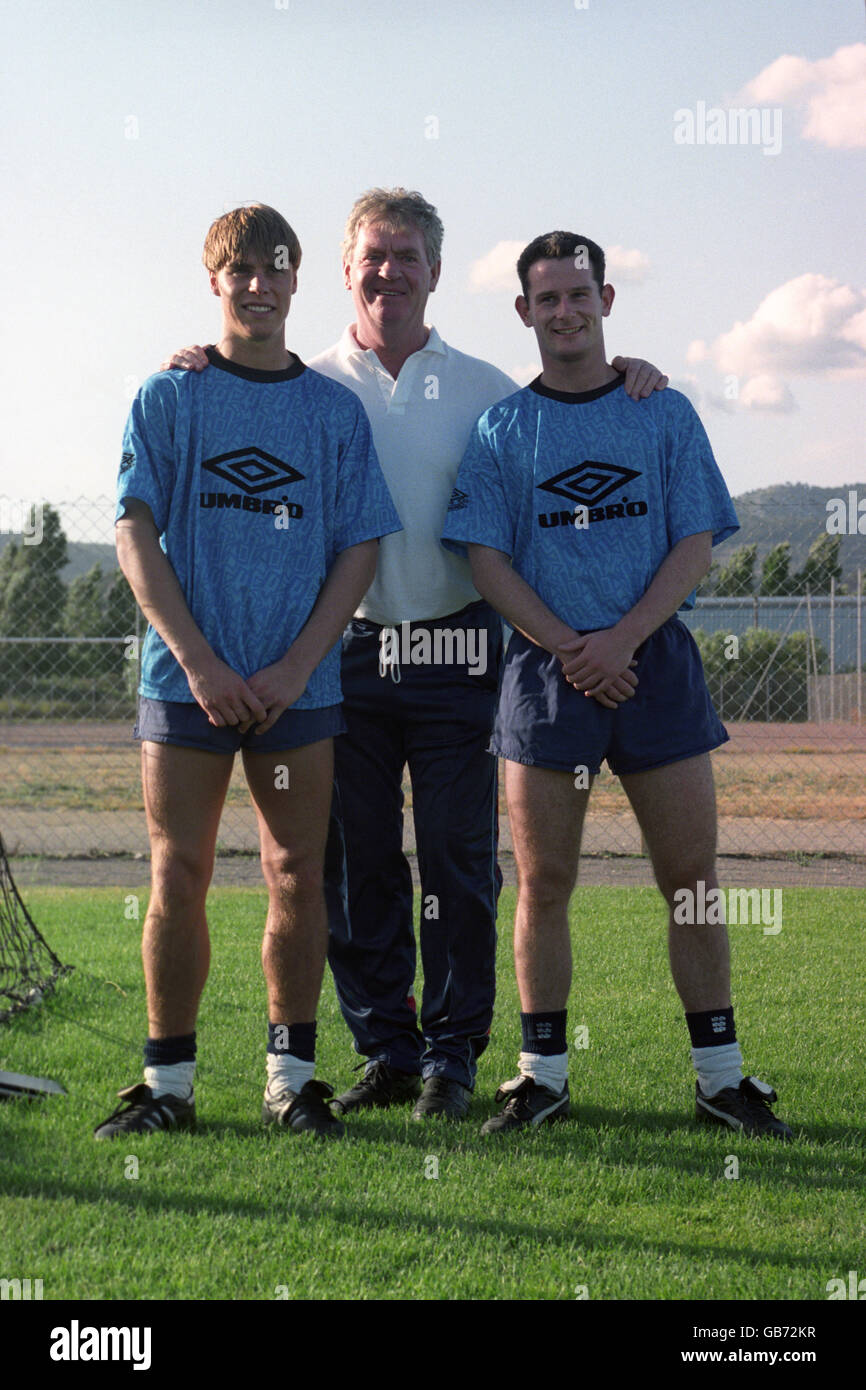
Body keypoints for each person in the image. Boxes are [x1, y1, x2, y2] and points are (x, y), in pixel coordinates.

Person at [161, 189, 667, 1122]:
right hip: (341, 650)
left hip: (461, 647)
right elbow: (228, 386)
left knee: (458, 858)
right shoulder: (303, 382)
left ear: (435, 271)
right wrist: (197, 361)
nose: (388, 271)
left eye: (407, 256)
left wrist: (631, 368)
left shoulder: (483, 388)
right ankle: (385, 1049)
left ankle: (452, 1055)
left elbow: (567, 405)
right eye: (372, 256)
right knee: (352, 866)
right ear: (344, 271)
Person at [442, 230, 792, 1140]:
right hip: (547, 673)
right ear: (524, 312)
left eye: (579, 293)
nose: (565, 311)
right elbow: (486, 558)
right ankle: (540, 1079)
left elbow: (693, 539)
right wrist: (570, 646)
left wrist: (622, 640)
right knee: (544, 881)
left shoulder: (661, 412)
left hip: (655, 664)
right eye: (547, 298)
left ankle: (722, 1078)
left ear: (607, 300)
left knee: (692, 881)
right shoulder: (502, 429)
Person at [95, 203, 401, 1142]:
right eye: (241, 269)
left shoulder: (331, 411)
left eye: (276, 268)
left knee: (295, 875)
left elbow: (359, 549)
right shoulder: (170, 396)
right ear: (215, 279)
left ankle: (291, 1080)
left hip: (294, 690)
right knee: (177, 872)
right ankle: (168, 1085)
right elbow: (133, 530)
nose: (258, 284)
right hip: (185, 683)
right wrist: (197, 659)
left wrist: (296, 665)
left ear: (299, 280)